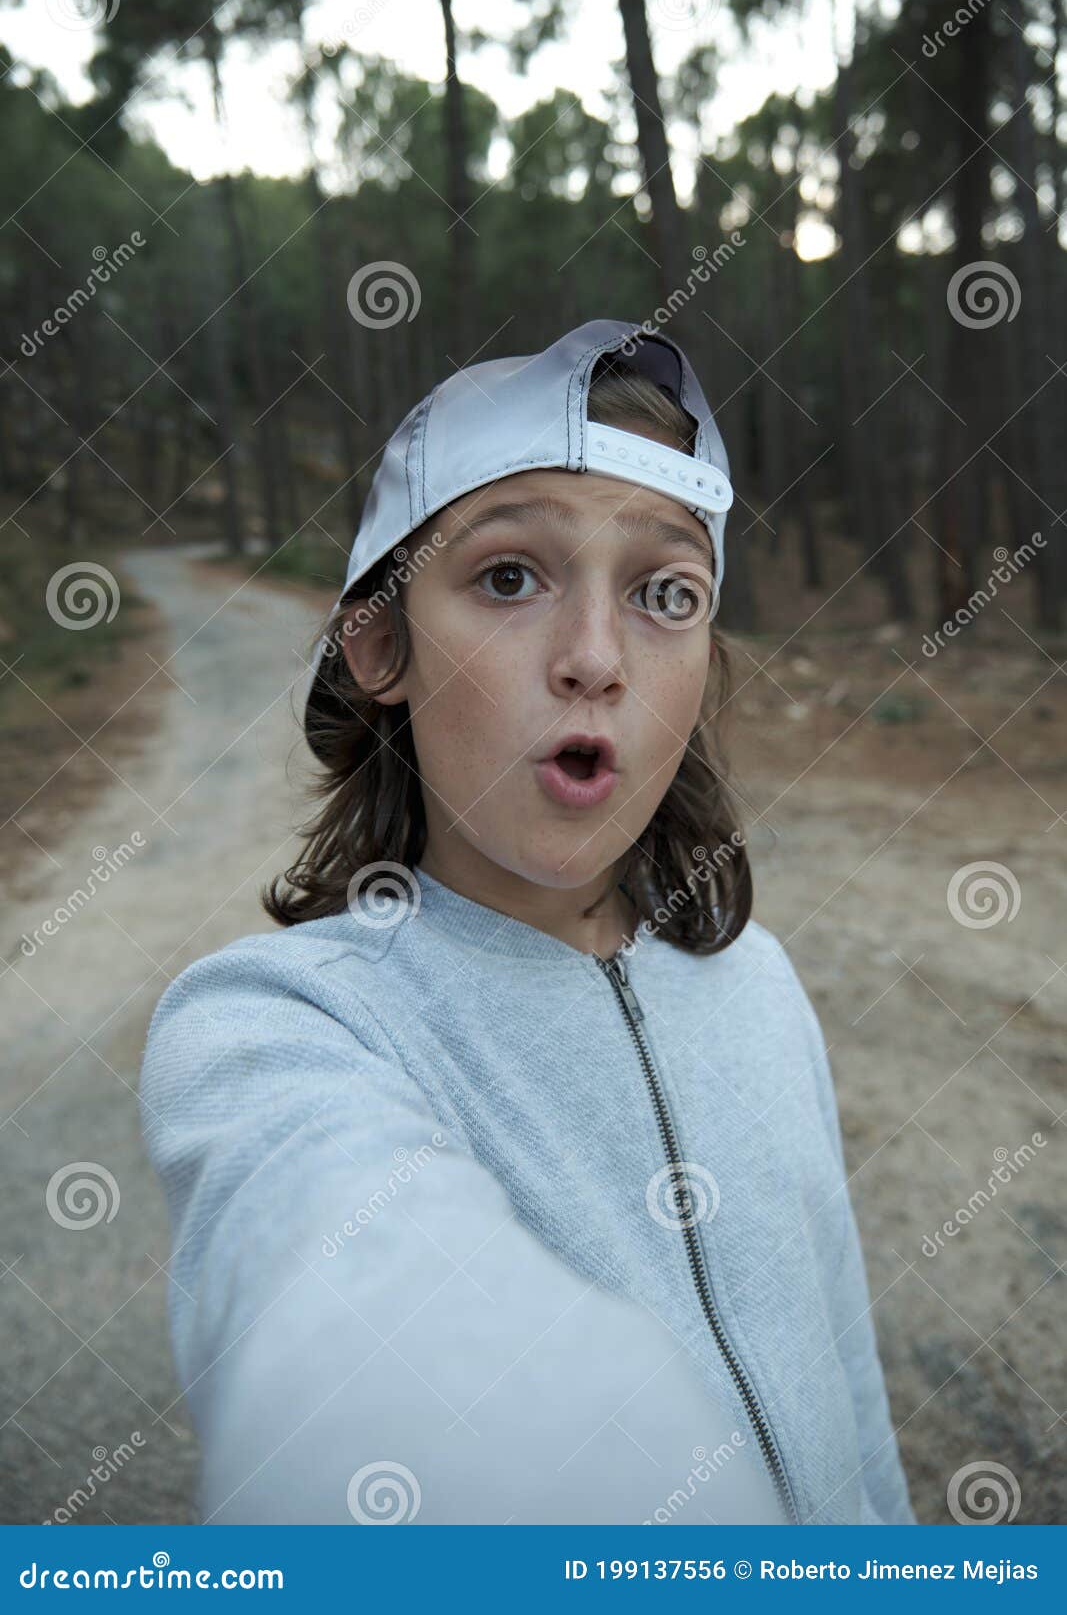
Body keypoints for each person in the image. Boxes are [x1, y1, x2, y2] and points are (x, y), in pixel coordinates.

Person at [139, 318, 917, 1526]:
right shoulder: (279, 1026)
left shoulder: (760, 982)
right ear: (379, 637)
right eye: (510, 575)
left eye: (666, 593)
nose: (595, 658)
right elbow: (337, 1289)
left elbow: (852, 1398)